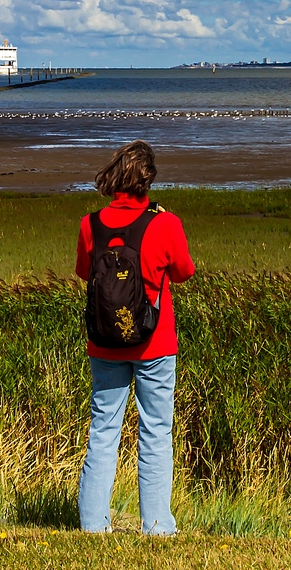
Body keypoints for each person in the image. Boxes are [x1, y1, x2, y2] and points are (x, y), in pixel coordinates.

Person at [75, 140, 195, 535]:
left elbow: (83, 272)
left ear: (114, 177)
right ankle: (157, 526)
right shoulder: (165, 224)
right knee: (156, 432)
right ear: (149, 179)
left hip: (104, 342)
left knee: (103, 430)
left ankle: (93, 525)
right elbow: (183, 271)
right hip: (154, 343)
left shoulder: (89, 224)